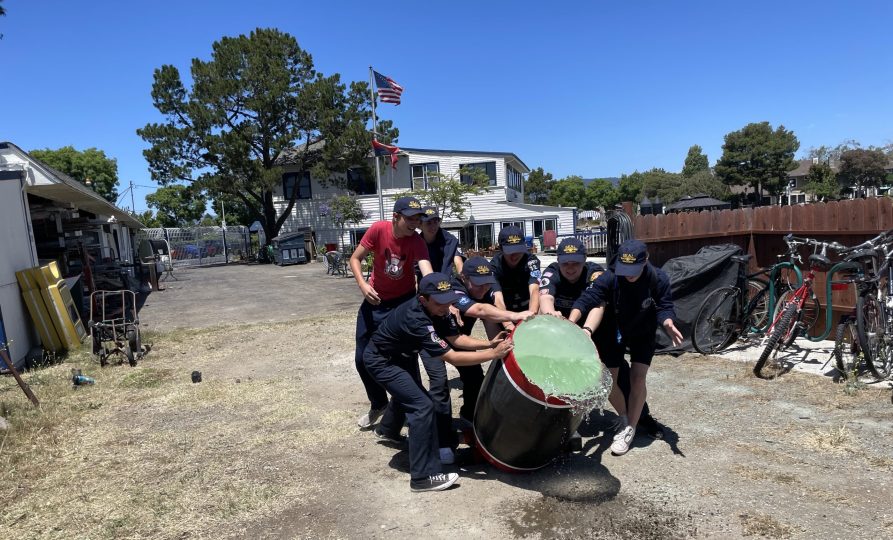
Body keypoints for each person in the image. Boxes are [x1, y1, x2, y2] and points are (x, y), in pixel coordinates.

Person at [363, 272, 514, 492]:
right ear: (423, 299)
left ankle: (387, 430)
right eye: (440, 302)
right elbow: (452, 356)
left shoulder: (439, 310)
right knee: (422, 405)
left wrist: (489, 344)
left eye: (449, 300)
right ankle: (422, 477)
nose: (446, 306)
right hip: (381, 360)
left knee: (410, 394)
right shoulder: (417, 318)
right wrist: (494, 354)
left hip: (400, 356)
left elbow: (457, 339)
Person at [569, 239, 683, 456]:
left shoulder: (658, 278)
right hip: (616, 328)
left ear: (646, 261)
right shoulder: (611, 276)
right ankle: (624, 419)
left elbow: (665, 306)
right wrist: (572, 322)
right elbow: (587, 299)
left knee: (638, 378)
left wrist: (667, 322)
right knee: (607, 378)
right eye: (624, 268)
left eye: (633, 269)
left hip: (643, 330)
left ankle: (630, 427)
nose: (628, 274)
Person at [553, 239, 665, 440]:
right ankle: (572, 421)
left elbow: (598, 304)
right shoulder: (554, 274)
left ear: (584, 260)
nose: (570, 268)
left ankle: (642, 419)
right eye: (565, 263)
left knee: (629, 378)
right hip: (593, 331)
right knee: (596, 377)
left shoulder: (597, 272)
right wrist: (570, 324)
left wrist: (585, 328)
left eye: (576, 263)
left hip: (613, 329)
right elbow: (579, 298)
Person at [349, 196, 433, 430]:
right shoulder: (378, 229)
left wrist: (438, 293)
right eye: (410, 218)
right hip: (374, 301)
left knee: (404, 361)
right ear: (396, 217)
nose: (415, 223)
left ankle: (410, 409)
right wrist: (363, 285)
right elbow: (355, 259)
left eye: (418, 219)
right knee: (362, 358)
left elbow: (426, 270)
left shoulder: (416, 241)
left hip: (402, 305)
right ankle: (378, 404)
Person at [490, 225, 541, 333]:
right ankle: (494, 347)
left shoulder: (531, 261)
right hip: (505, 310)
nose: (514, 256)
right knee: (488, 312)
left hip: (527, 306)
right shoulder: (494, 266)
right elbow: (497, 298)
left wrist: (531, 318)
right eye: (509, 252)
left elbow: (534, 290)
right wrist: (508, 325)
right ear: (501, 249)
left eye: (518, 251)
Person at [419, 206, 463, 275]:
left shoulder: (448, 240)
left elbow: (457, 258)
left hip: (445, 282)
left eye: (435, 222)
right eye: (428, 223)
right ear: (420, 225)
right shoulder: (416, 243)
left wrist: (463, 275)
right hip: (424, 281)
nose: (433, 226)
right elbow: (414, 270)